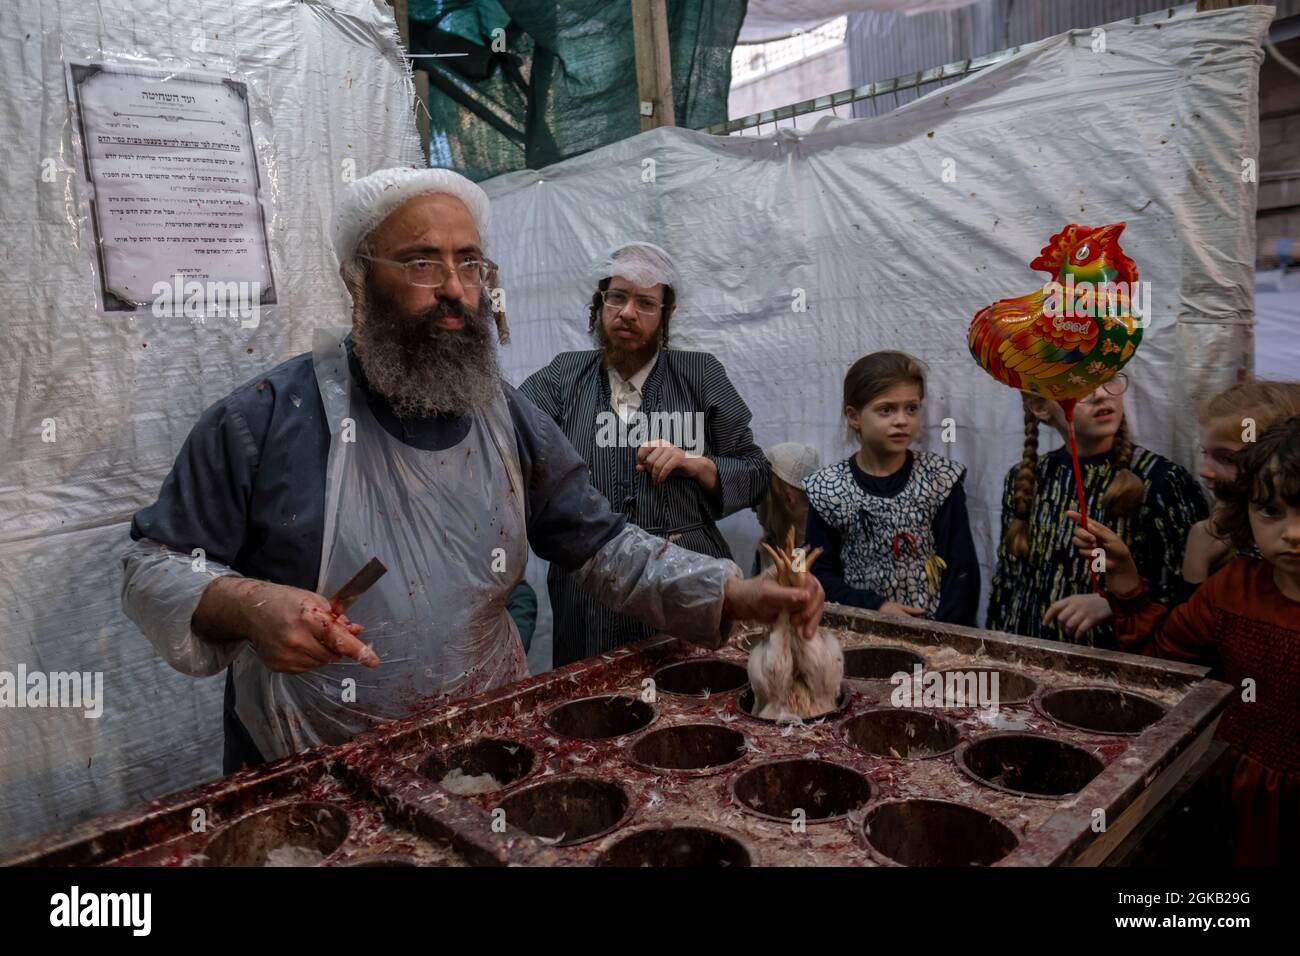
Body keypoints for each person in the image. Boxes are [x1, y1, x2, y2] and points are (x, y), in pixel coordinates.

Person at [121, 169, 823, 771]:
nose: (455, 289)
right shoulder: (265, 420)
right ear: (356, 278)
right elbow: (155, 568)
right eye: (421, 263)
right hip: (315, 766)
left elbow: (604, 546)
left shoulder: (507, 417)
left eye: (471, 264)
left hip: (484, 746)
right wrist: (249, 605)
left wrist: (732, 592)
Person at [520, 242, 770, 665]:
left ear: (667, 313)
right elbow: (512, 443)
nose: (627, 313)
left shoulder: (700, 375)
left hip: (690, 576)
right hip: (588, 588)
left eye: (646, 303)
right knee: (594, 696)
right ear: (600, 301)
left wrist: (697, 464)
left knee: (690, 691)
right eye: (616, 297)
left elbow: (757, 473)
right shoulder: (563, 377)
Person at [1069, 416, 1300, 865]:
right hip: (1228, 793)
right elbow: (1164, 664)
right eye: (1270, 511)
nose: (1291, 532)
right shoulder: (1234, 587)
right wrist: (1124, 577)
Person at [985, 372, 1206, 646]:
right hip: (1030, 651)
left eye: (1108, 378)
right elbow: (1007, 583)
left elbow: (1189, 594)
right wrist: (995, 649)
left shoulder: (1162, 481)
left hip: (1114, 658)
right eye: (1075, 385)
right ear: (1041, 407)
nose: (1100, 394)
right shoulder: (1025, 478)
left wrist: (1115, 603)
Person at [803, 351, 979, 625]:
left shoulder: (940, 480)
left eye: (911, 408)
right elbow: (818, 575)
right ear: (854, 416)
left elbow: (962, 571)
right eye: (886, 410)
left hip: (933, 630)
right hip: (858, 630)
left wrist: (942, 635)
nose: (901, 420)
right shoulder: (827, 489)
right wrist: (875, 607)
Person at [1182, 380, 1300, 590]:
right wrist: (1198, 556)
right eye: (1205, 453)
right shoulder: (1213, 533)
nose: (1204, 470)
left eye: (1228, 459)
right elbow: (1197, 610)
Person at [752, 443, 819, 575]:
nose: (752, 508)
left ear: (789, 499)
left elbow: (795, 584)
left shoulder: (819, 554)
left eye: (760, 495)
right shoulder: (766, 549)